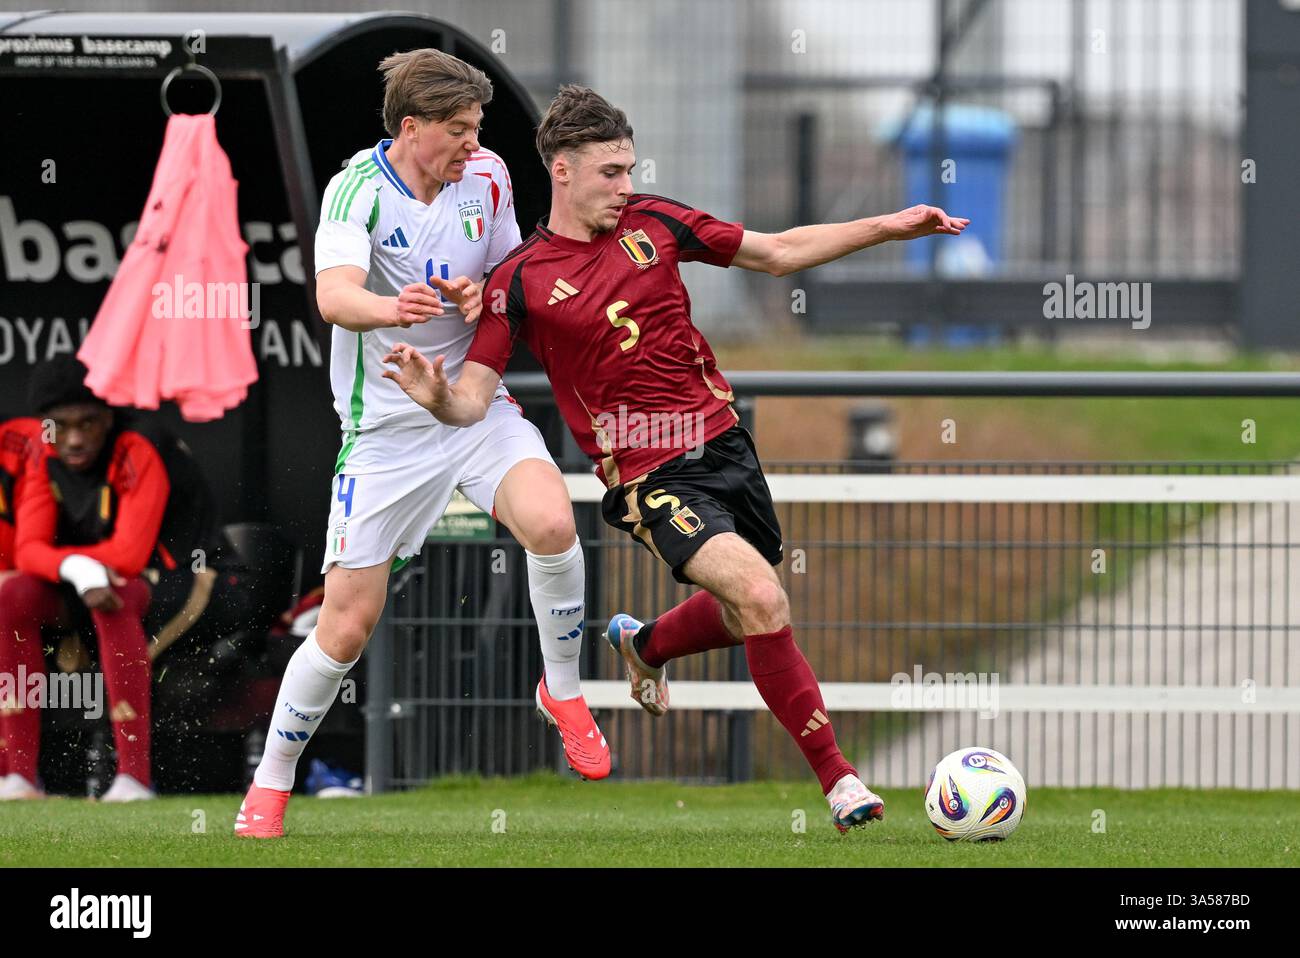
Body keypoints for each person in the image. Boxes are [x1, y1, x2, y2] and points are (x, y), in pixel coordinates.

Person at [383, 85, 969, 832]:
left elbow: (779, 252)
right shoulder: (520, 280)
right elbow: (469, 402)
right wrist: (433, 394)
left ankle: (646, 641)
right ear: (560, 171)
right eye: (609, 173)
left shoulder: (656, 221)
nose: (625, 186)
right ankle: (841, 782)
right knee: (761, 597)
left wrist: (893, 226)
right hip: (648, 473)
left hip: (724, 444)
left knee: (746, 609)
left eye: (629, 168)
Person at [235, 51, 608, 839]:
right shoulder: (357, 190)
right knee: (344, 627)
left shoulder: (491, 174)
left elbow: (510, 268)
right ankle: (270, 787)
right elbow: (334, 298)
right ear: (411, 128)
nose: (474, 145)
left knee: (551, 524)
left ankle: (565, 691)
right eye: (459, 131)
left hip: (471, 402)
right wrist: (389, 308)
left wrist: (485, 290)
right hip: (387, 430)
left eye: (478, 130)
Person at [0, 357, 213, 802]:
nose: (74, 439)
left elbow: (130, 555)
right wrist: (75, 569)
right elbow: (28, 551)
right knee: (14, 593)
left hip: (189, 579)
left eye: (88, 423)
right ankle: (18, 777)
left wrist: (71, 566)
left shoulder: (138, 443)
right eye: (60, 425)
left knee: (111, 594)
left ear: (110, 417)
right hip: (97, 581)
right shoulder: (46, 454)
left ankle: (133, 779)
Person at [0, 416, 45, 787]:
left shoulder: (26, 438)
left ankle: (17, 771)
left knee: (9, 597)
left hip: (43, 586)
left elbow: (29, 547)